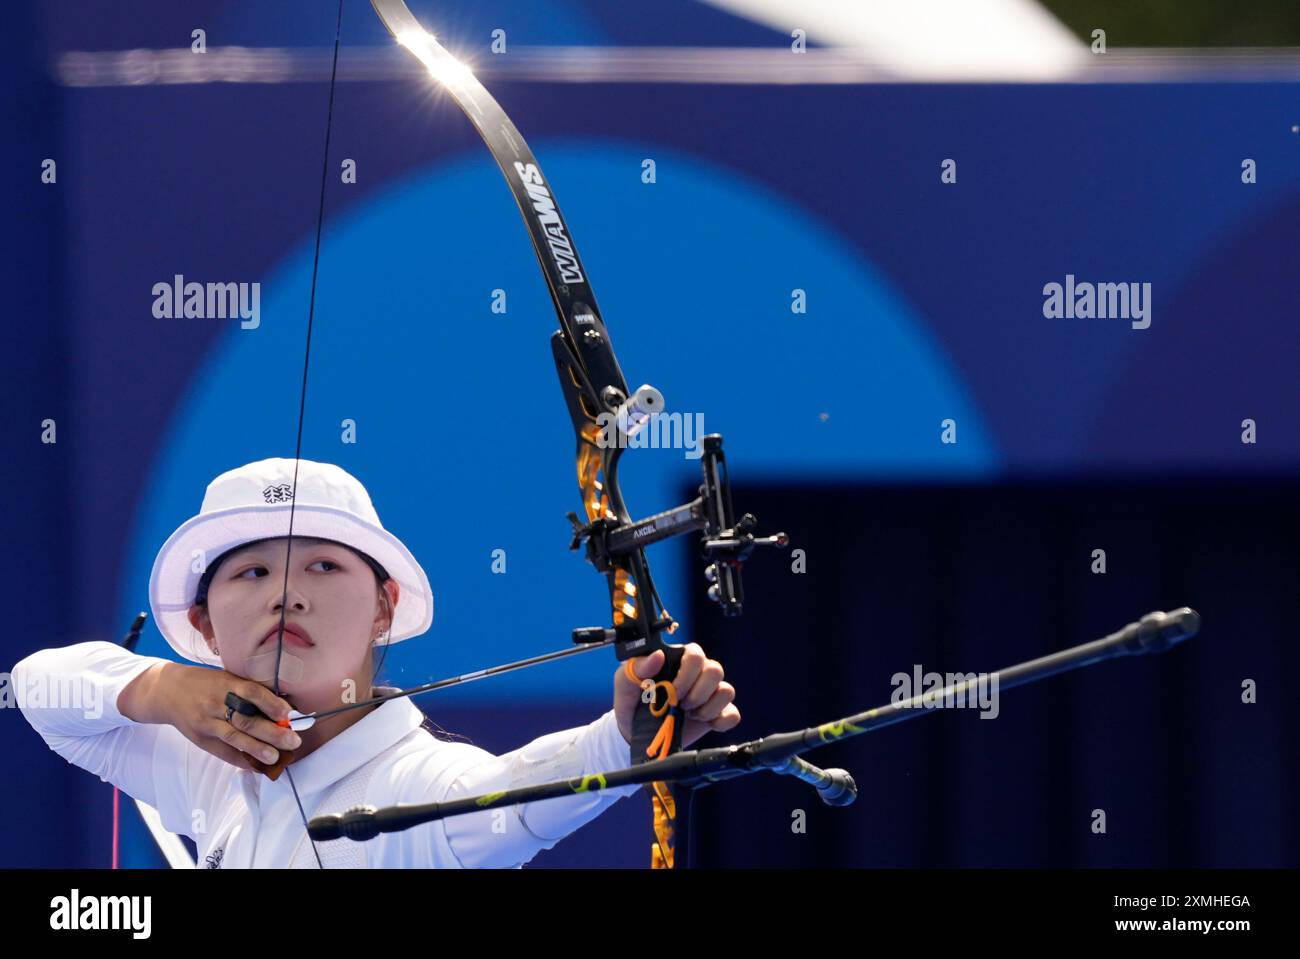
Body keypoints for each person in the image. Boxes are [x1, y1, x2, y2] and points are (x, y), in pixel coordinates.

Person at [13, 457, 739, 867]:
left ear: (384, 608)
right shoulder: (210, 761)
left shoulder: (417, 789)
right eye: (252, 573)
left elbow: (511, 797)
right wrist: (164, 687)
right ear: (203, 622)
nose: (288, 594)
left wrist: (621, 743)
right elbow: (40, 688)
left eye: (324, 566)